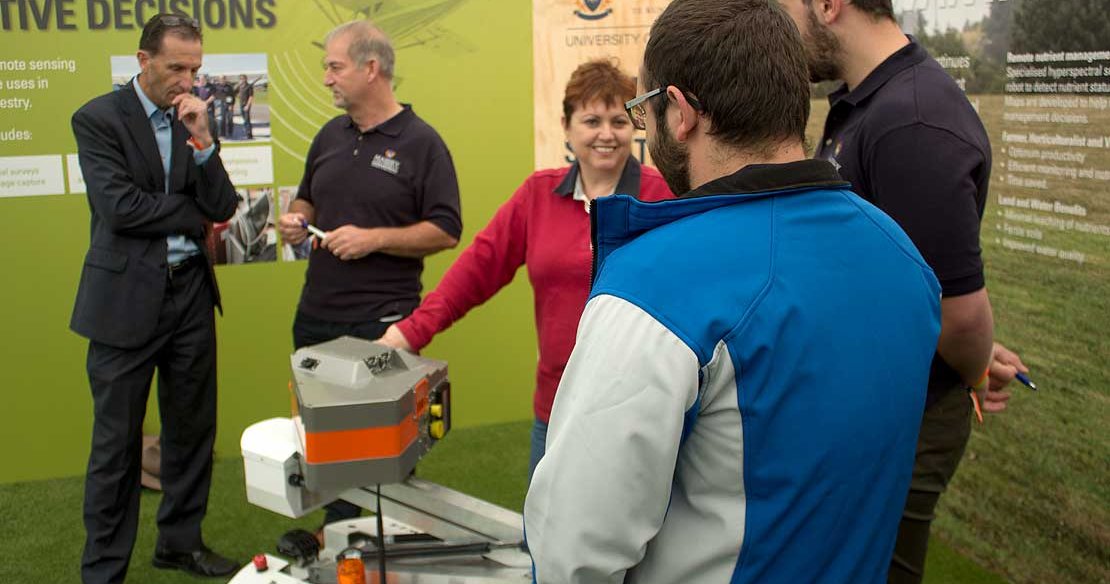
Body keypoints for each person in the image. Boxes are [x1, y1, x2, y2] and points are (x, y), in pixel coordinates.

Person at [523, 0, 945, 582]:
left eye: (640, 111)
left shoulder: (655, 283)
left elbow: (573, 552)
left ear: (680, 113)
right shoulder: (903, 257)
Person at [776, 1, 1031, 581]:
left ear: (827, 5)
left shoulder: (912, 119)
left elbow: (958, 316)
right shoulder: (870, 103)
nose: (781, 24)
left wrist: (968, 364)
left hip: (904, 422)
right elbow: (906, 281)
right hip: (870, 409)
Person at [376, 59, 673, 478]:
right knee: (545, 539)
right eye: (591, 121)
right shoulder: (538, 195)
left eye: (617, 121)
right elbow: (477, 268)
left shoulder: (663, 198)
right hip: (555, 408)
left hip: (639, 409)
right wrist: (410, 331)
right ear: (567, 126)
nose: (606, 135)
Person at [70, 13, 240, 583]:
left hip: (191, 294)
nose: (187, 79)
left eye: (195, 68)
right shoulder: (97, 119)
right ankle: (104, 568)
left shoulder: (192, 117)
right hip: (123, 299)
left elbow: (222, 205)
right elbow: (120, 208)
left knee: (192, 430)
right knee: (116, 443)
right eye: (175, 68)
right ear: (143, 61)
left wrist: (205, 144)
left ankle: (180, 543)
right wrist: (190, 213)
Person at [276, 20, 462, 529]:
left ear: (371, 69)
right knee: (321, 450)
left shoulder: (422, 143)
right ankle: (338, 546)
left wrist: (373, 238)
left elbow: (447, 230)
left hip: (382, 328)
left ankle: (371, 550)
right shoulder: (328, 136)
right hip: (315, 320)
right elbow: (305, 197)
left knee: (378, 464)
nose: (325, 79)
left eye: (334, 67)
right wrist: (297, 220)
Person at [236, 74, 254, 139]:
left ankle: (249, 134)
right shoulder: (239, 86)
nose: (242, 80)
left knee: (247, 120)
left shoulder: (249, 86)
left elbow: (251, 97)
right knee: (244, 119)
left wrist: (247, 105)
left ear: (246, 79)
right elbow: (234, 92)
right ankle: (246, 132)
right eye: (240, 79)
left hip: (246, 105)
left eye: (243, 78)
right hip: (241, 104)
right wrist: (238, 85)